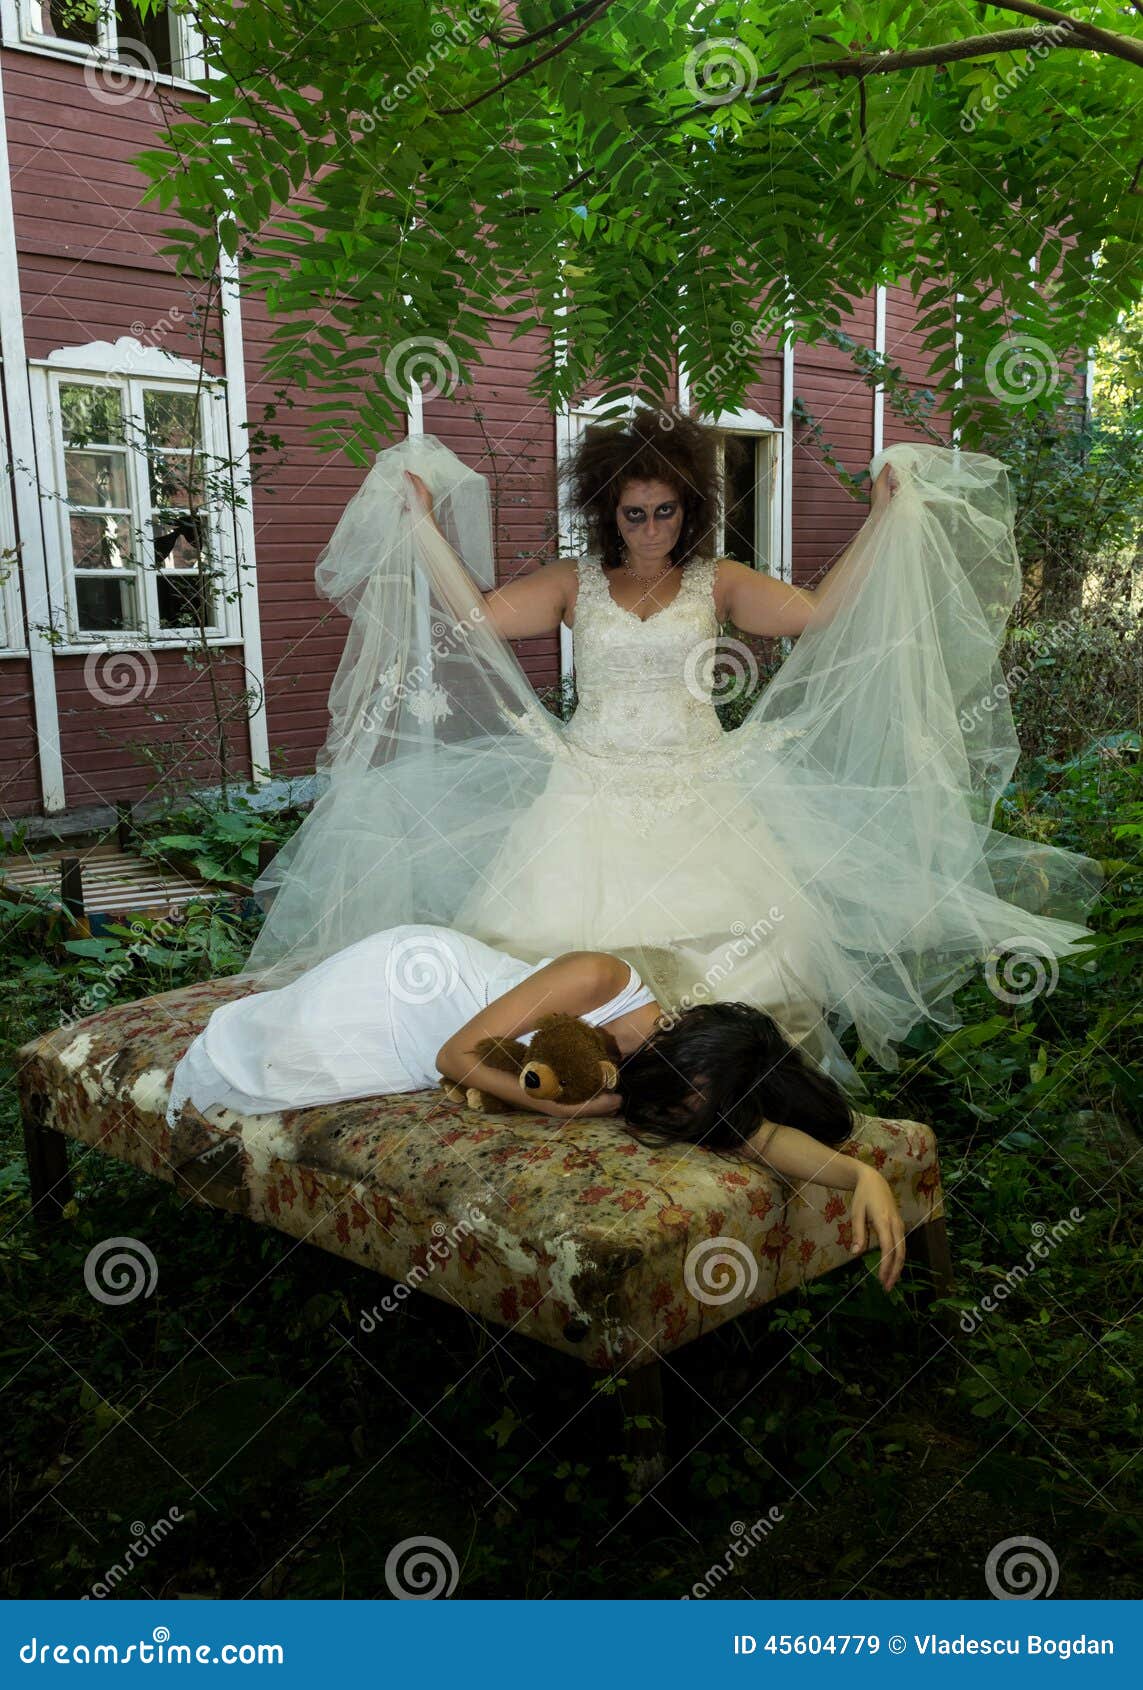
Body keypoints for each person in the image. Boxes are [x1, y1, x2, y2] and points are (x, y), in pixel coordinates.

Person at [245, 412, 1103, 1099]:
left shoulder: (717, 580)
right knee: (557, 945)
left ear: (688, 507)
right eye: (633, 512)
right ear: (606, 511)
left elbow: (812, 615)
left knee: (758, 946)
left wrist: (882, 516)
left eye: (665, 511)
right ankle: (580, 1083)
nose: (651, 528)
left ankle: (707, 1094)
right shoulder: (574, 582)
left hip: (703, 789)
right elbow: (477, 620)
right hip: (588, 792)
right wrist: (424, 531)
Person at [168, 924, 906, 1291]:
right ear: (686, 1057)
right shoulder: (598, 980)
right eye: (690, 1104)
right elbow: (454, 1058)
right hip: (407, 991)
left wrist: (857, 1177)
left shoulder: (680, 1080)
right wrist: (562, 1114)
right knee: (269, 1060)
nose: (680, 1122)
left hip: (453, 1036)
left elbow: (755, 1137)